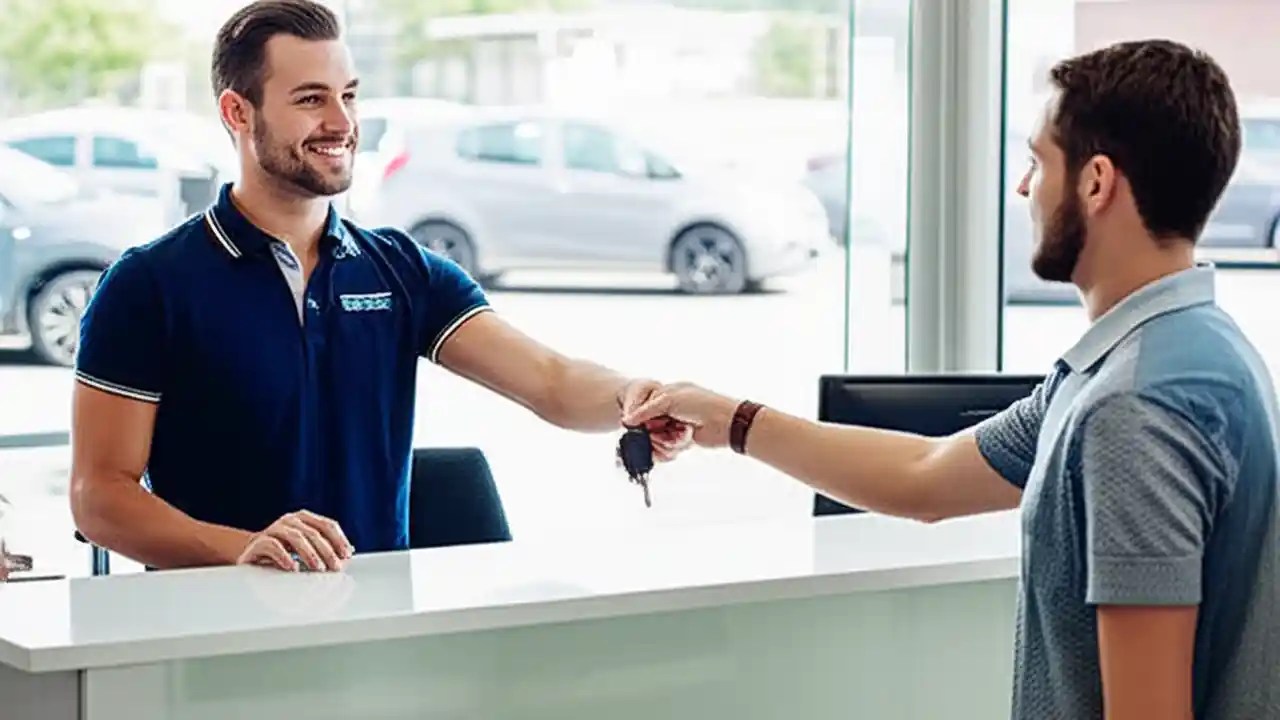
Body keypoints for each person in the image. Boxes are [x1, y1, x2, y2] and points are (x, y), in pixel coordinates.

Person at [626, 40, 1279, 720]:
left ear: (1095, 182)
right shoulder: (1182, 353)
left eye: (1037, 162)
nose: (1024, 189)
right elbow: (925, 474)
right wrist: (729, 419)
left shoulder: (1134, 408)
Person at [69, 0, 689, 574]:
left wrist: (631, 397)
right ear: (238, 112)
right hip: (208, 641)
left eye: (349, 96)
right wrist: (246, 551)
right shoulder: (148, 286)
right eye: (311, 99)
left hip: (378, 636)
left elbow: (551, 382)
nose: (341, 122)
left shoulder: (399, 270)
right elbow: (100, 497)